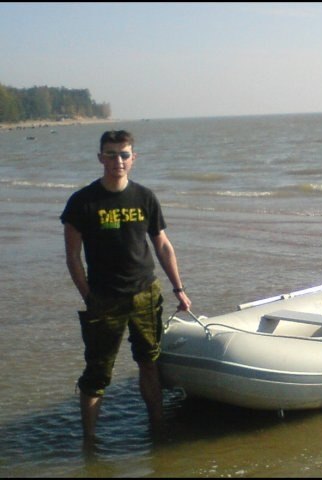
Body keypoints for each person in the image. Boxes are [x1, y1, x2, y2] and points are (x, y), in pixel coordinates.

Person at [60, 129, 191, 443]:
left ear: (133, 158)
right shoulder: (82, 202)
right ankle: (90, 442)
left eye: (123, 154)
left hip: (145, 294)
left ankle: (157, 427)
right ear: (100, 158)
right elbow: (73, 257)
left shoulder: (145, 197)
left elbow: (162, 245)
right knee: (97, 372)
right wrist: (88, 295)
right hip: (104, 298)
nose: (117, 160)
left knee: (149, 362)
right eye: (110, 154)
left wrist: (178, 288)